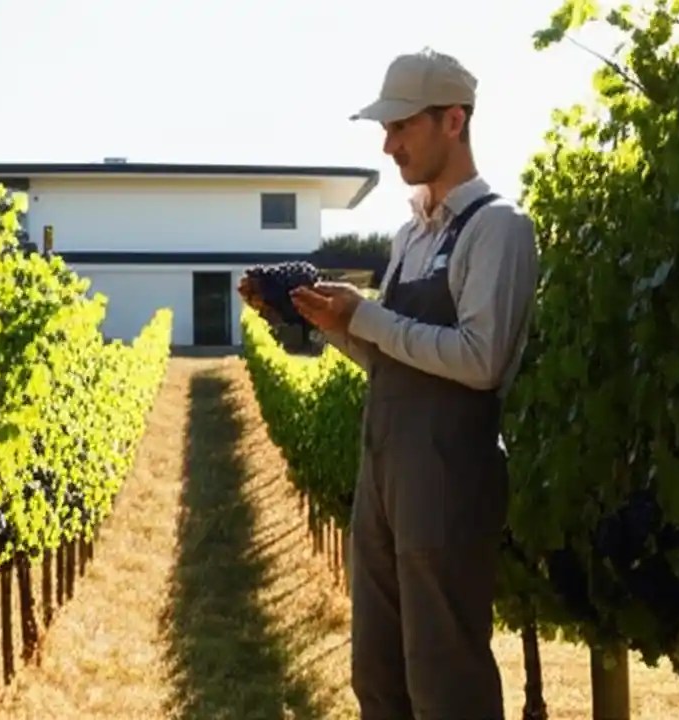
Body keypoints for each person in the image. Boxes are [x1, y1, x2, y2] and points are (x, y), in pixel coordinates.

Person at [238, 48, 539, 719]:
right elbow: (390, 361)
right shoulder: (407, 237)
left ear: (453, 121)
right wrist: (318, 320)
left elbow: (481, 359)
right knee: (377, 675)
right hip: (383, 474)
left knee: (445, 680)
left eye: (401, 126)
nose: (387, 142)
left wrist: (368, 315)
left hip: (447, 478)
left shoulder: (498, 229)